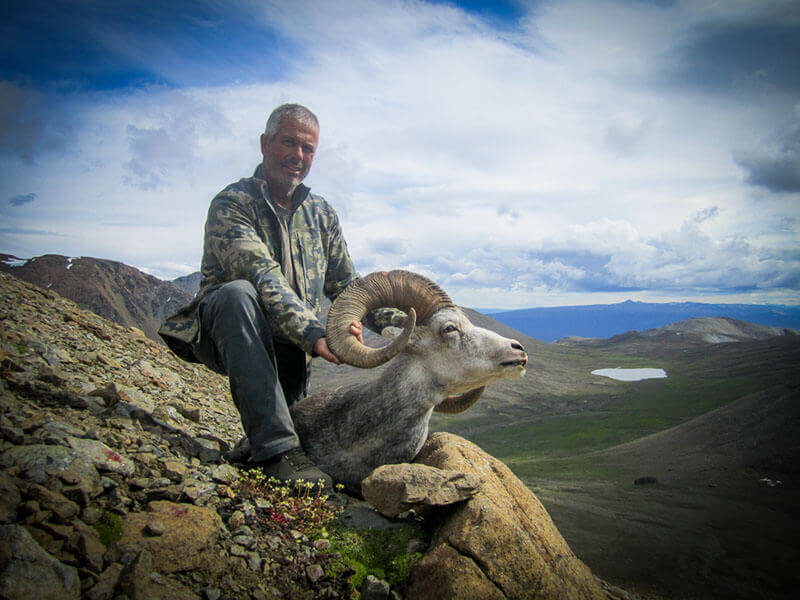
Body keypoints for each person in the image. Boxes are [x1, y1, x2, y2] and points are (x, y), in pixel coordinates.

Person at [158, 104, 403, 487]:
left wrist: (401, 324)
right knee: (237, 294)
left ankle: (262, 444)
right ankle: (277, 451)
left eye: (308, 149)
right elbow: (262, 276)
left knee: (293, 420)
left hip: (288, 344)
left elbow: (347, 286)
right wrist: (315, 335)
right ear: (264, 144)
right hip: (228, 331)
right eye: (289, 142)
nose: (298, 156)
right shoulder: (232, 204)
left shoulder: (322, 214)